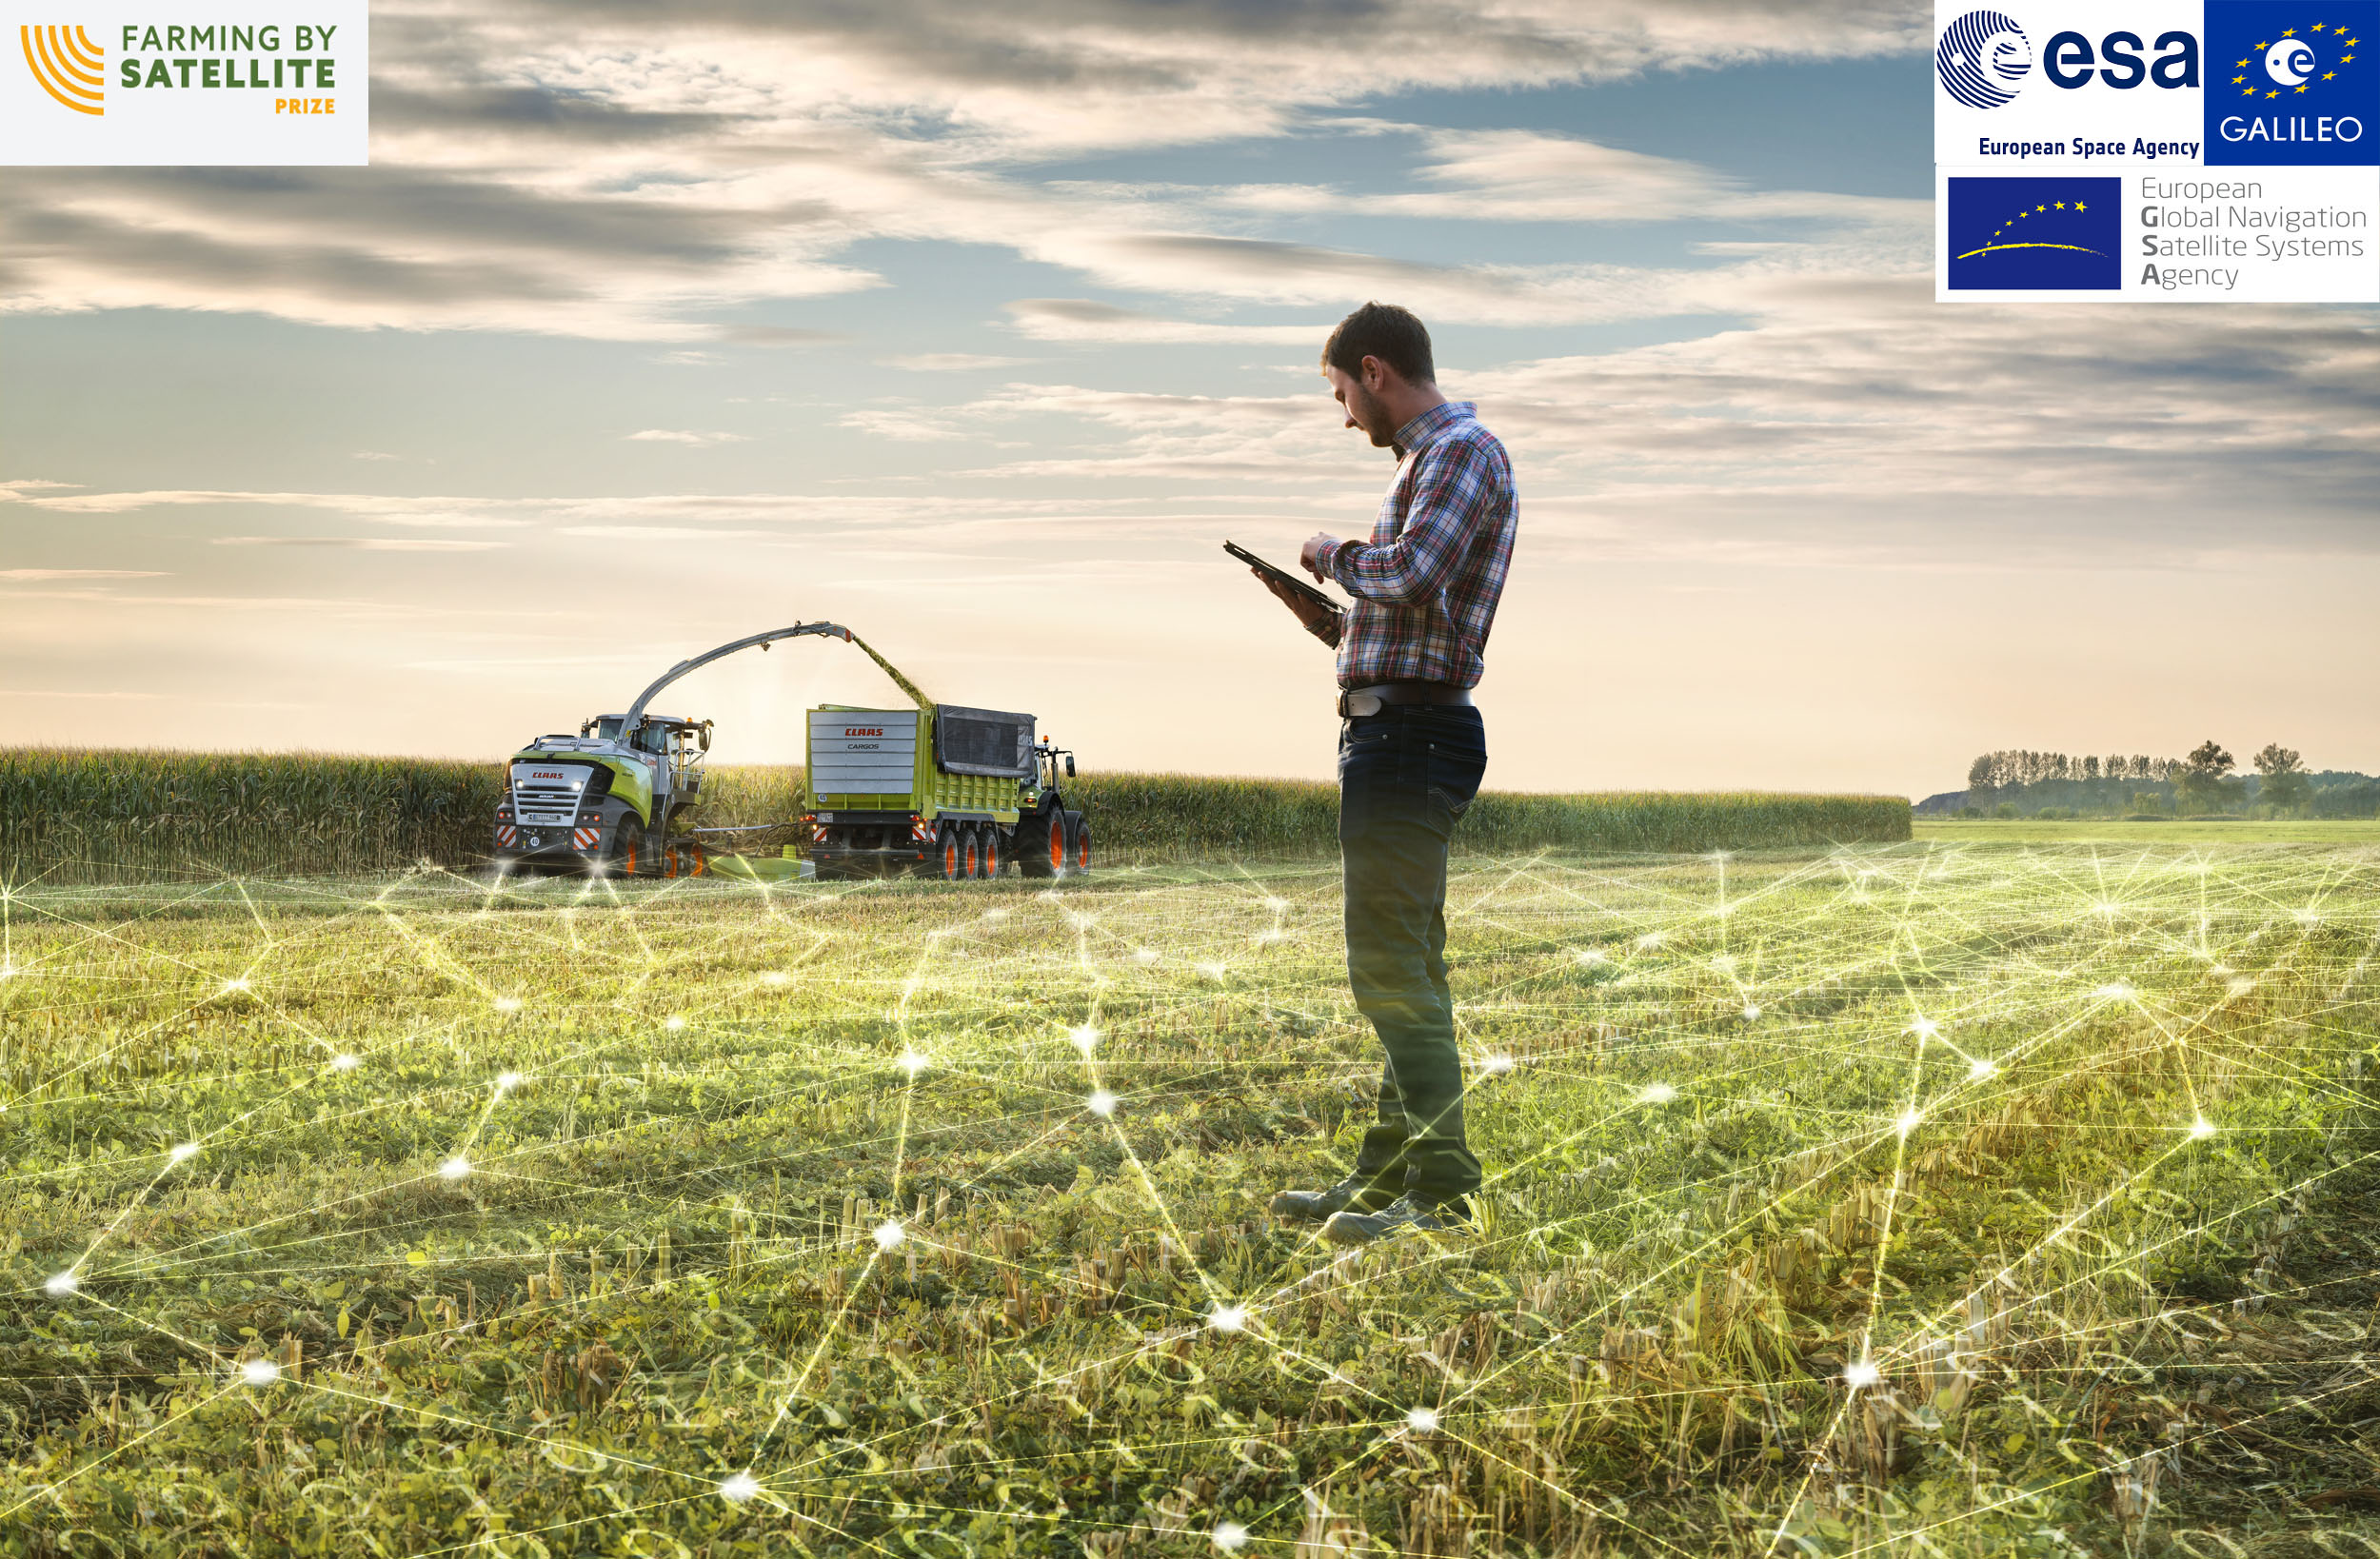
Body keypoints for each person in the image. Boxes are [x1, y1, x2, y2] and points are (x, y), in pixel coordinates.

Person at [1251, 302, 1517, 1244]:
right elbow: (1401, 620)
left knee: (1389, 969)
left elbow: (1404, 575)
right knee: (1406, 968)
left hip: (1410, 740)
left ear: (1374, 369)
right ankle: (1381, 1179)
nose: (1344, 415)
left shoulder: (1459, 454)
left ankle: (1441, 1193)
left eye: (1340, 393)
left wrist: (1327, 554)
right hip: (1393, 727)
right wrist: (1320, 614)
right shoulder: (1434, 462)